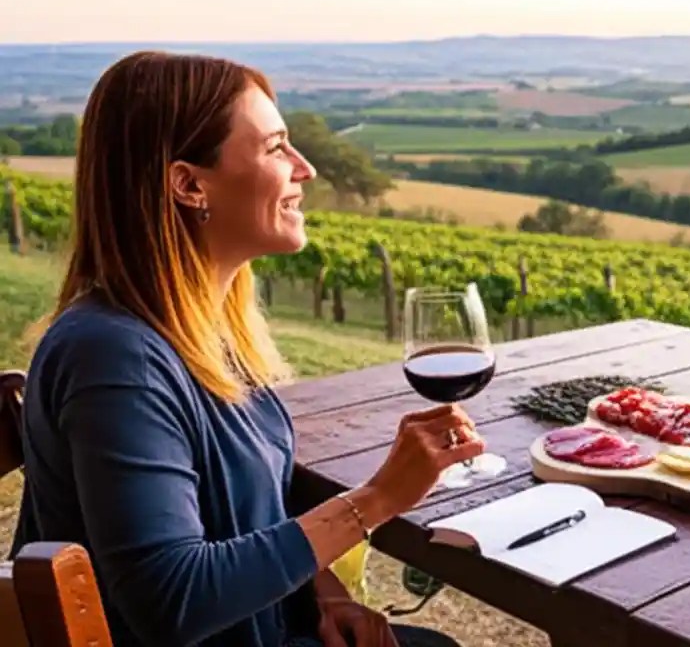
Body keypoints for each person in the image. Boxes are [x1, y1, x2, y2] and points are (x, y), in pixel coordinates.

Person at [8, 50, 482, 647]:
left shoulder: (199, 330)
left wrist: (320, 589)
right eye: (275, 147)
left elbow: (236, 512)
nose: (304, 168)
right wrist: (378, 498)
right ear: (188, 183)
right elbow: (172, 600)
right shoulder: (114, 357)